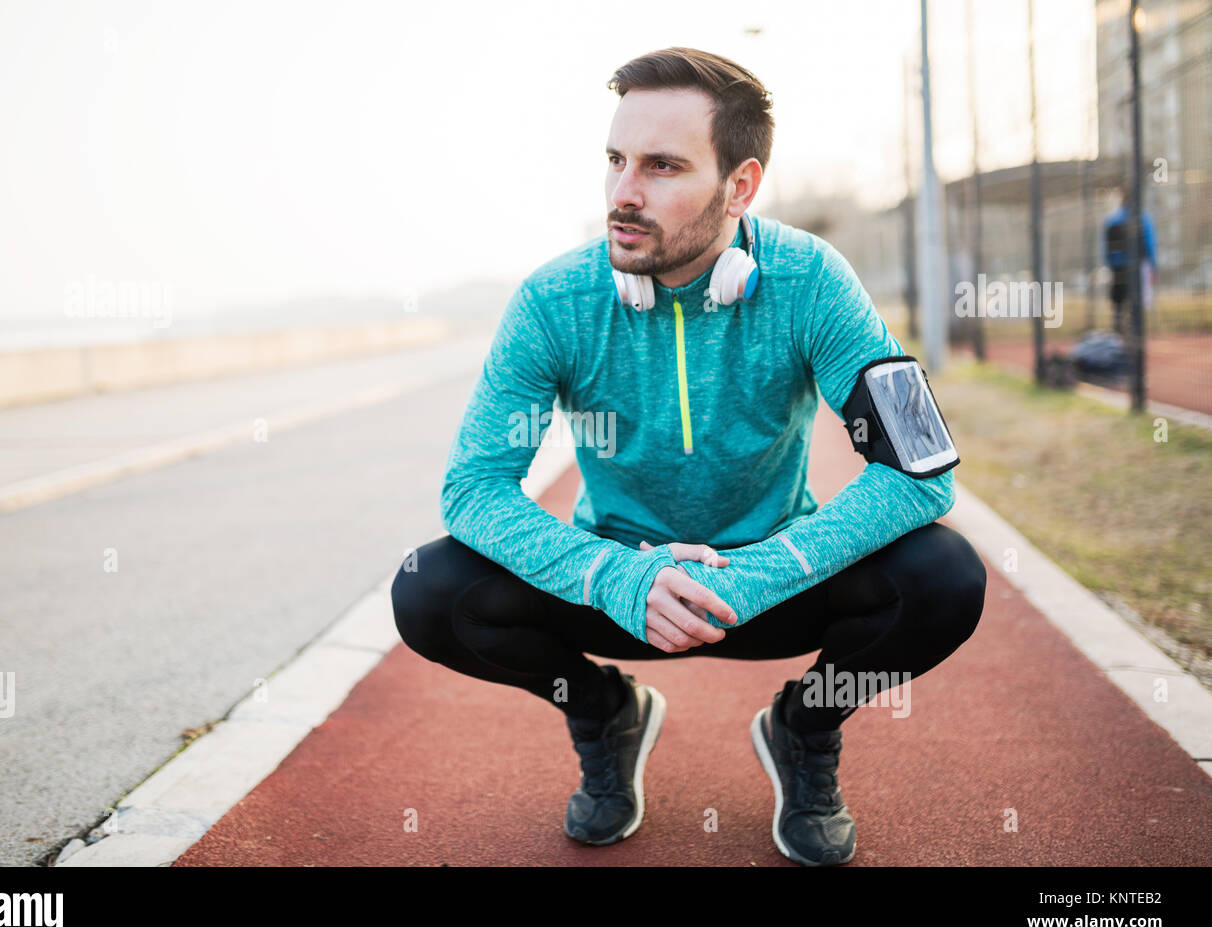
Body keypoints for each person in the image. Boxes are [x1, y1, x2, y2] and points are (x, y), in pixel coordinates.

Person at [390, 47, 987, 866]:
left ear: (740, 186)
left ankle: (803, 728)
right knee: (432, 591)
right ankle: (604, 711)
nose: (624, 194)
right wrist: (613, 576)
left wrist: (753, 574)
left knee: (945, 577)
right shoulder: (553, 300)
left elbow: (923, 470)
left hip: (768, 586)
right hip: (616, 589)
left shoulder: (812, 278)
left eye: (662, 166)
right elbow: (473, 489)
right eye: (615, 160)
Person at [1101, 185, 1157, 334]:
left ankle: (1118, 327)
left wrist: (1111, 264)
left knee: (1118, 301)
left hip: (1118, 267)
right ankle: (1134, 330)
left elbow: (1106, 248)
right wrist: (1153, 266)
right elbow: (1150, 244)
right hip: (1135, 267)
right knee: (1135, 300)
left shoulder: (1112, 220)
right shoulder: (1142, 219)